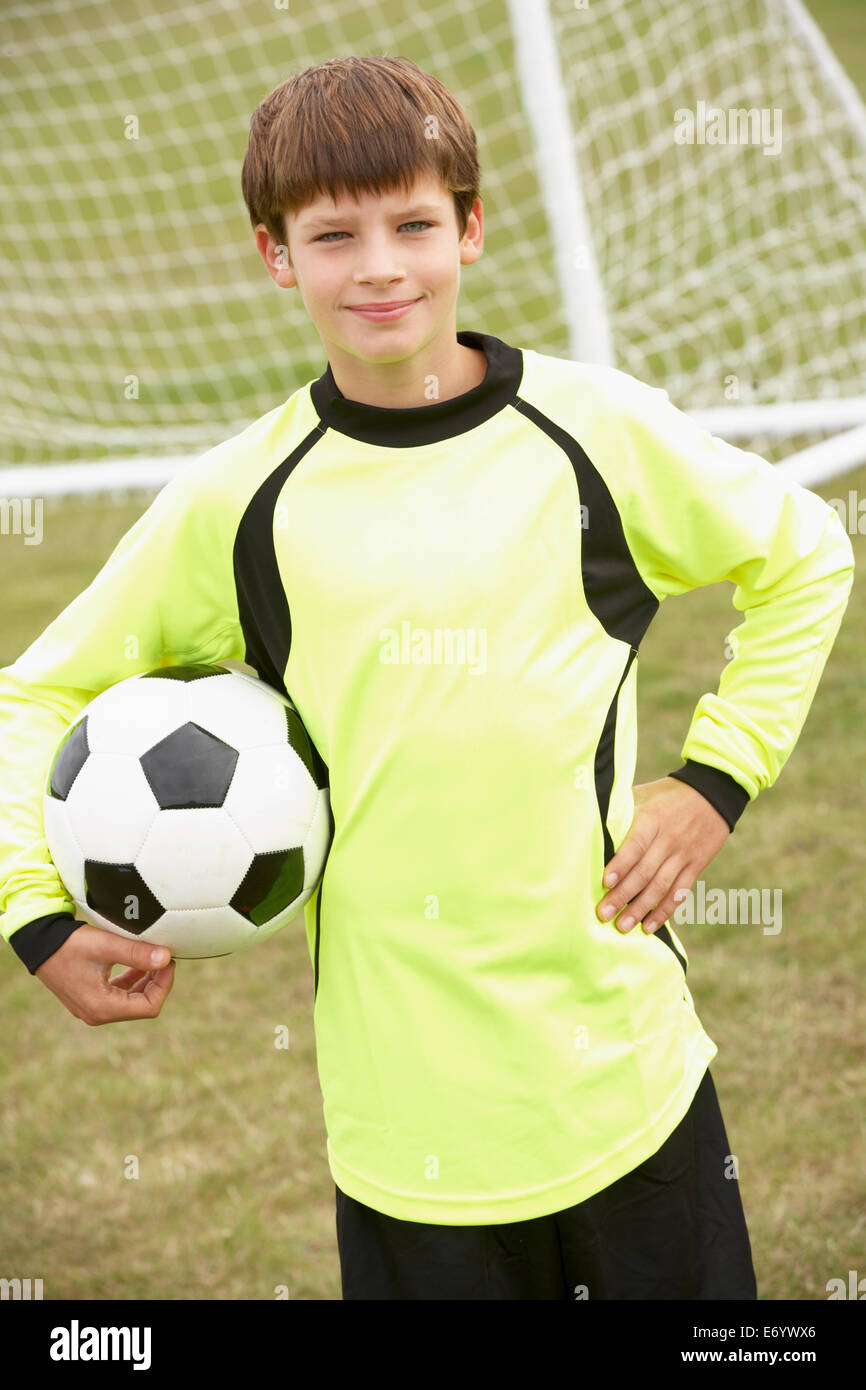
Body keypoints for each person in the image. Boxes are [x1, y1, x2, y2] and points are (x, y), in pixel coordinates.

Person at [0, 56, 854, 1300]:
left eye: (411, 224)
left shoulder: (591, 433)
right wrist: (33, 915)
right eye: (333, 236)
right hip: (408, 1140)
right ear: (275, 256)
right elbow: (34, 689)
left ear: (469, 226)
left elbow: (803, 553)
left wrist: (714, 779)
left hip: (625, 1087)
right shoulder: (241, 501)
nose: (380, 266)